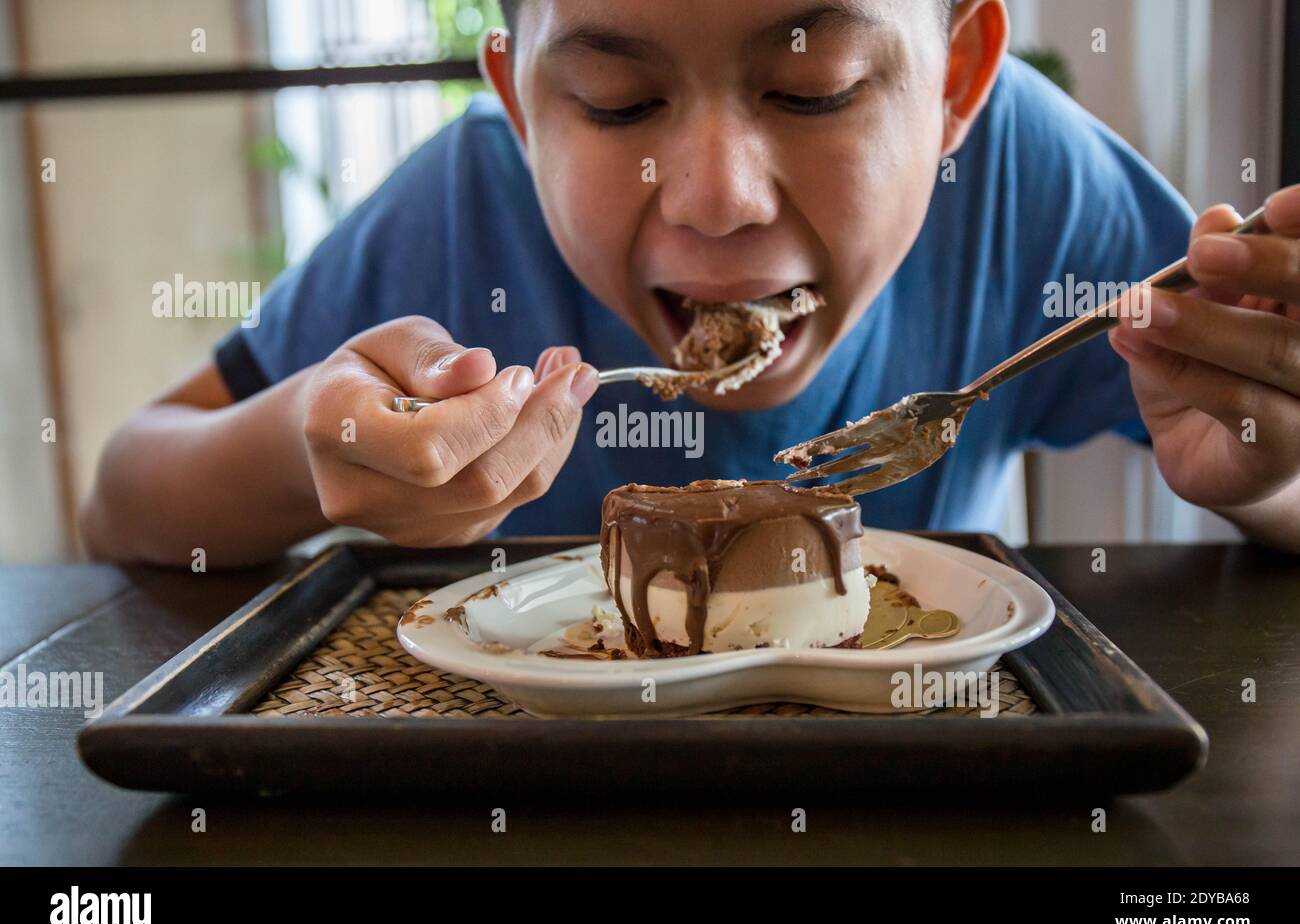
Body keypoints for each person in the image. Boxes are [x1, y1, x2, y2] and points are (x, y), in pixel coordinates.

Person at [80, 0, 1300, 566]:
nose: (716, 195)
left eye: (811, 87)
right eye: (619, 103)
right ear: (517, 106)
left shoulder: (1024, 177)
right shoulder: (461, 206)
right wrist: (305, 453)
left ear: (954, 83)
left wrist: (1274, 464)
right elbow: (125, 498)